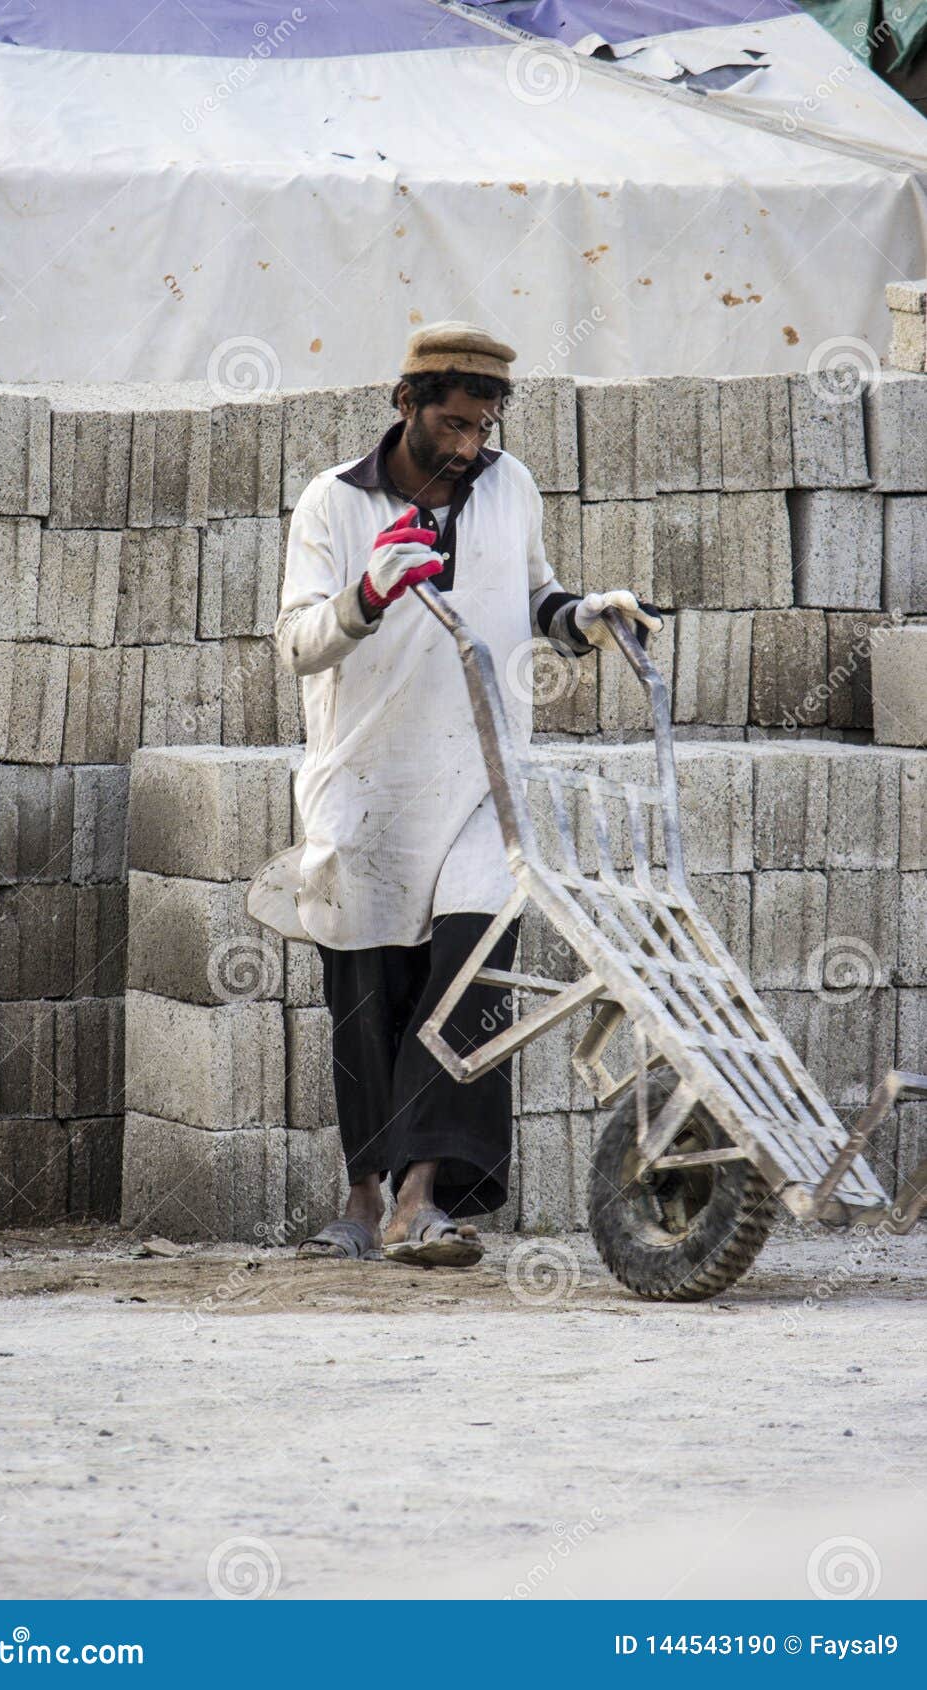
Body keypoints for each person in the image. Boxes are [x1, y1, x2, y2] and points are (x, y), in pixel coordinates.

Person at [248, 320, 660, 1267]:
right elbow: (296, 642)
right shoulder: (332, 502)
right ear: (407, 407)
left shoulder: (508, 485)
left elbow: (536, 595)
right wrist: (364, 595)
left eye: (485, 426)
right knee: (368, 988)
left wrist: (585, 617)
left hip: (483, 775)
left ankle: (421, 1201)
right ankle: (361, 1194)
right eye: (456, 426)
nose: (472, 446)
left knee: (469, 970)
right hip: (368, 777)